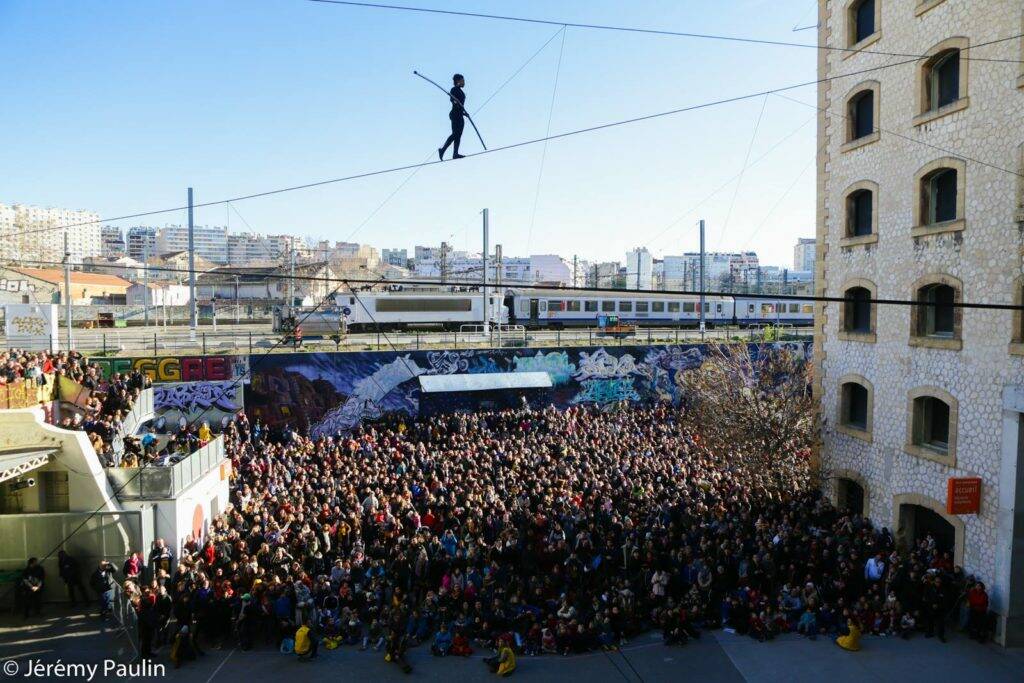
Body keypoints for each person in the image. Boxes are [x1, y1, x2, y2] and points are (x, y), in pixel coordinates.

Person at [438, 73, 467, 160]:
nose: (464, 82)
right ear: (458, 81)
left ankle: (455, 153)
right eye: (462, 80)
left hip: (460, 114)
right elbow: (452, 100)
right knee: (455, 134)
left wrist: (464, 113)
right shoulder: (454, 89)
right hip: (455, 114)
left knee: (459, 134)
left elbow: (461, 105)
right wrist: (456, 102)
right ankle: (442, 150)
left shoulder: (461, 92)